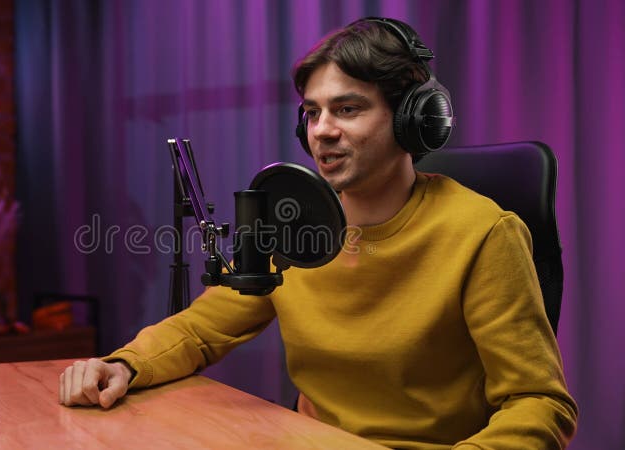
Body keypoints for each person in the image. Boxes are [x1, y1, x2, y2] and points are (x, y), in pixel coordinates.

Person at [59, 17, 578, 449]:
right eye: (312, 112)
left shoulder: (484, 232)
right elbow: (201, 328)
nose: (321, 130)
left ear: (412, 120)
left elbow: (539, 402)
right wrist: (124, 365)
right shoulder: (291, 226)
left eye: (347, 109)